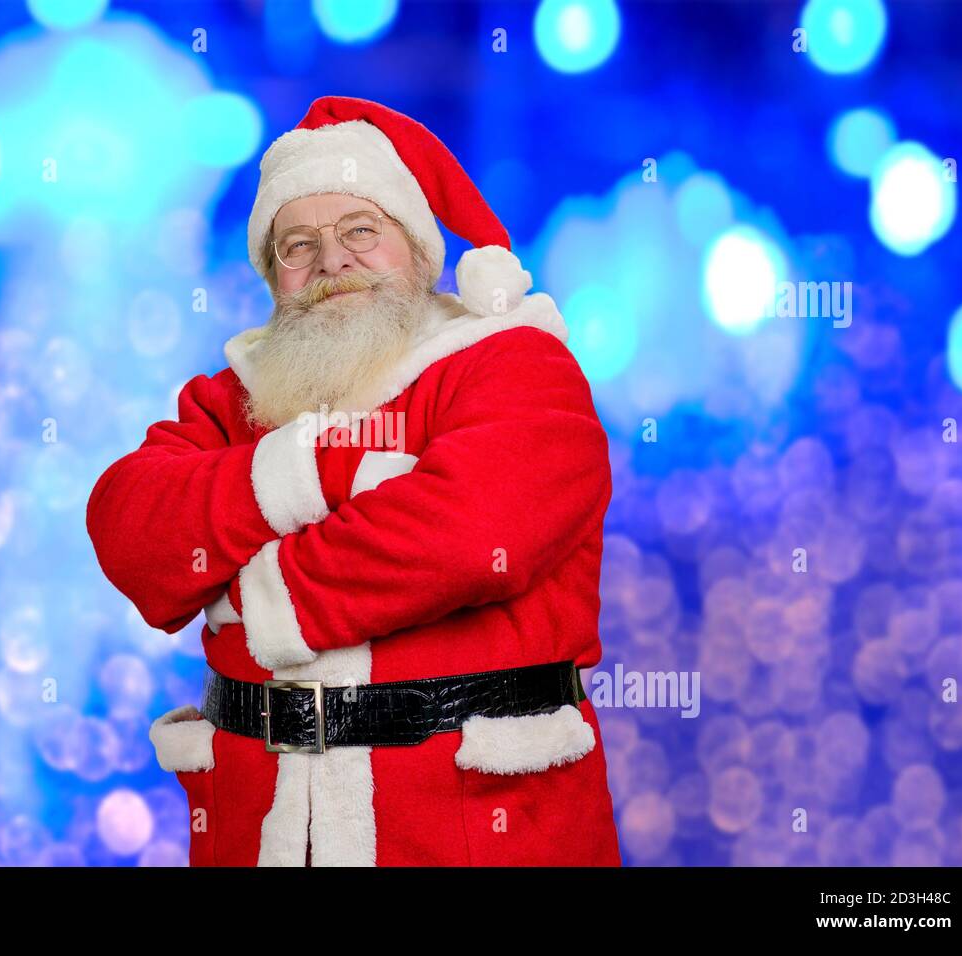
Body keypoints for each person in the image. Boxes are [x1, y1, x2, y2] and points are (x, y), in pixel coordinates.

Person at [86, 95, 621, 866]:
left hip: (478, 834)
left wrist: (251, 590)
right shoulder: (232, 397)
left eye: (360, 231)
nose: (331, 261)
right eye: (296, 245)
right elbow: (130, 532)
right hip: (259, 835)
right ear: (274, 279)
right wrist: (320, 470)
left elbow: (474, 535)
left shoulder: (515, 364)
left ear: (417, 249)